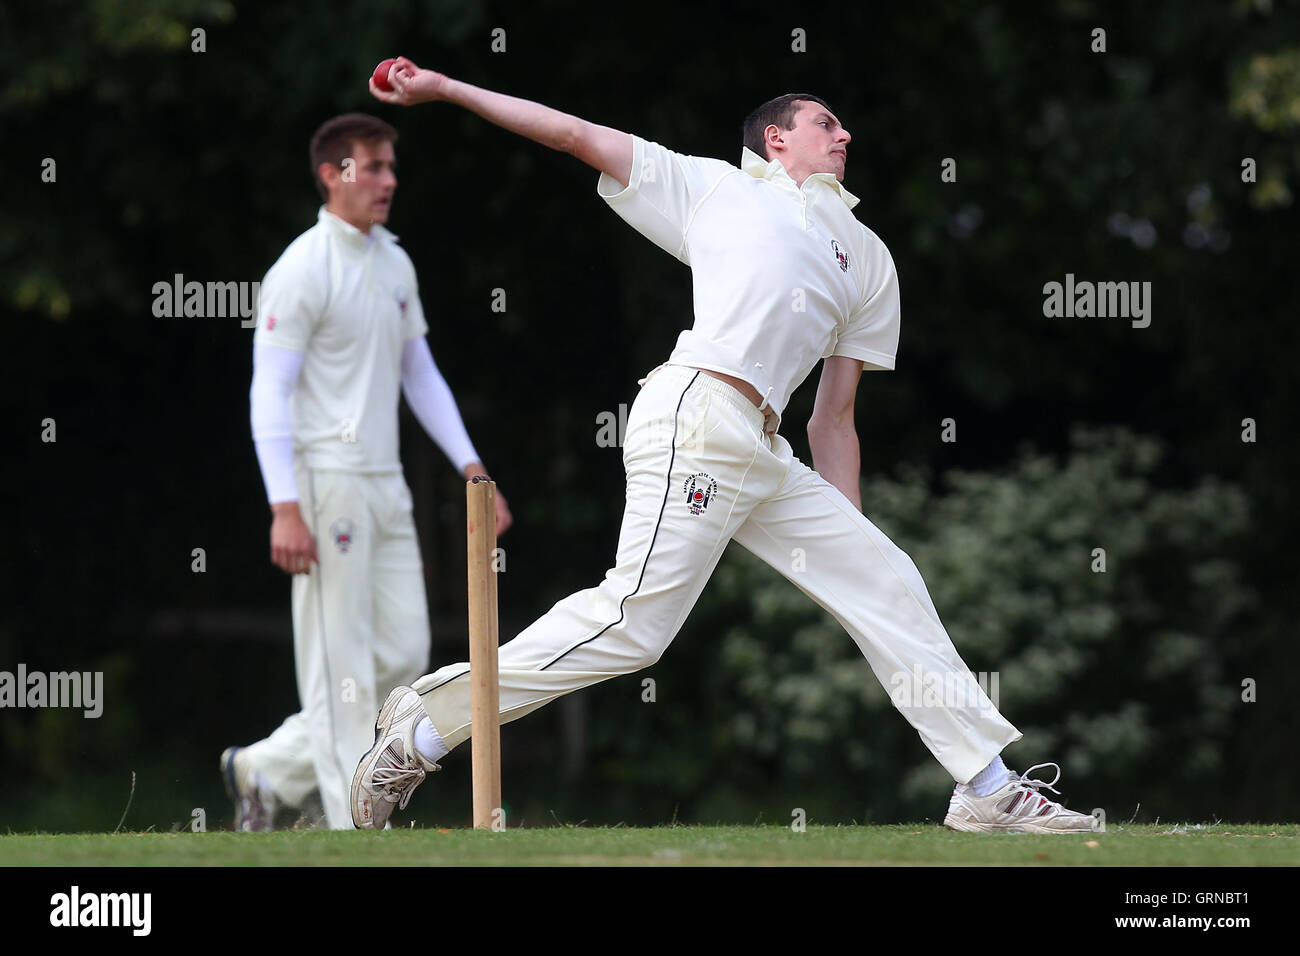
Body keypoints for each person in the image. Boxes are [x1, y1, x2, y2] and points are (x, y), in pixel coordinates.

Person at [350, 60, 1096, 834]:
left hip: (768, 450)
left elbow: (833, 420)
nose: (845, 135)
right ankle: (425, 727)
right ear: (775, 140)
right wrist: (444, 88)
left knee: (889, 576)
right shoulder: (714, 187)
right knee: (633, 628)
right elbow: (572, 134)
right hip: (696, 415)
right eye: (824, 123)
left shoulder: (869, 258)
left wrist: (849, 550)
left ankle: (985, 785)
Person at [221, 112, 512, 831]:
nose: (389, 180)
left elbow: (421, 374)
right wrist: (283, 504)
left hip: (386, 484)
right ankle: (353, 827)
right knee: (339, 669)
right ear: (332, 174)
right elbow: (269, 391)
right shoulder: (301, 268)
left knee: (407, 652)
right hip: (326, 483)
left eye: (390, 167)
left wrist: (474, 468)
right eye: (373, 167)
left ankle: (264, 769)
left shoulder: (393, 262)